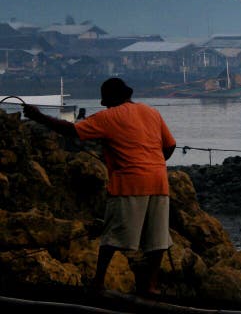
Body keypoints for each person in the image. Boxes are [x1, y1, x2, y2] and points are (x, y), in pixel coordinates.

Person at [23, 77, 177, 296]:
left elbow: (72, 131)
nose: (104, 104)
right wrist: (155, 162)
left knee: (112, 236)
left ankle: (98, 283)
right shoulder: (151, 112)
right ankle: (151, 286)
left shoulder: (108, 117)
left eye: (105, 100)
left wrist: (39, 117)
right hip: (160, 180)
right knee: (158, 238)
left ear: (111, 98)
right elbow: (170, 146)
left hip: (130, 182)